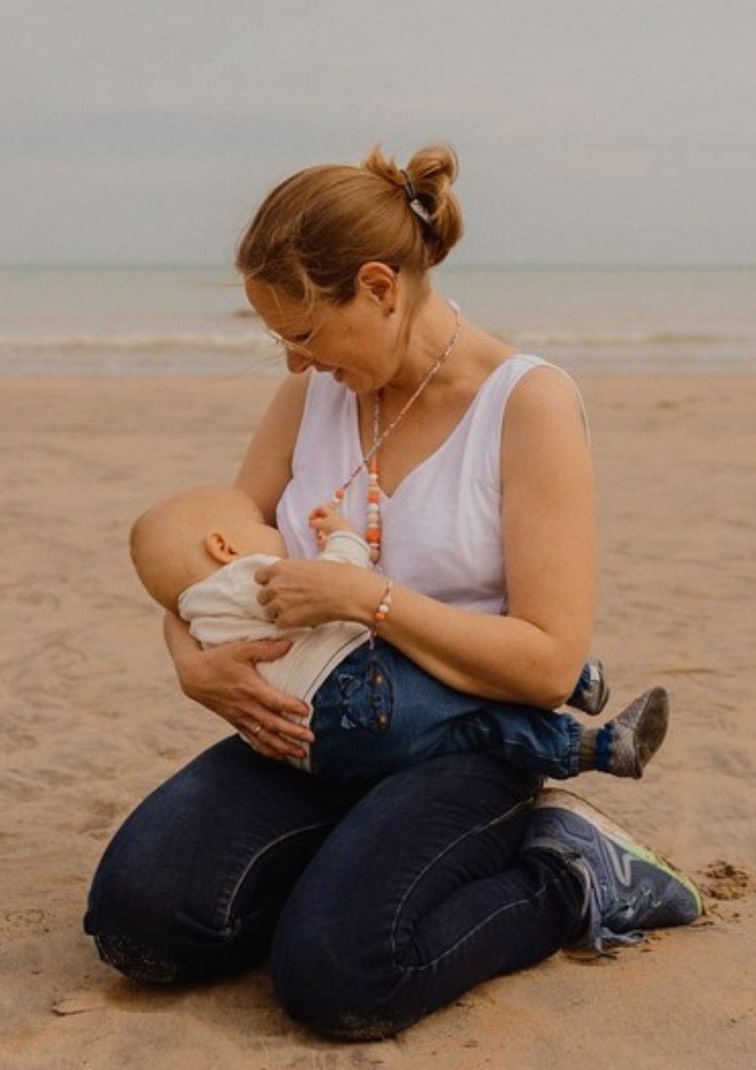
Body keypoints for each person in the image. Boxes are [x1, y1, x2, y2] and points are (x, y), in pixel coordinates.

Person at [84, 144, 702, 1038]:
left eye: (303, 334)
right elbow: (211, 557)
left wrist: (364, 599)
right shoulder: (313, 399)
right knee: (140, 926)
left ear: (378, 288)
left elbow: (547, 661)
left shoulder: (525, 406)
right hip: (314, 733)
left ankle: (574, 876)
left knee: (339, 977)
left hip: (466, 736)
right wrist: (192, 663)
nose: (294, 364)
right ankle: (346, 866)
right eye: (278, 340)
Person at [129, 482, 668, 784]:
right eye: (264, 523)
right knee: (459, 687)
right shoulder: (254, 578)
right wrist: (342, 539)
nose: (276, 530)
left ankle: (598, 749)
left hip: (314, 755)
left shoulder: (201, 613)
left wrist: (190, 659)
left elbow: (176, 611)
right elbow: (343, 583)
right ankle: (579, 685)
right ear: (225, 547)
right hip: (354, 694)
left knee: (480, 729)